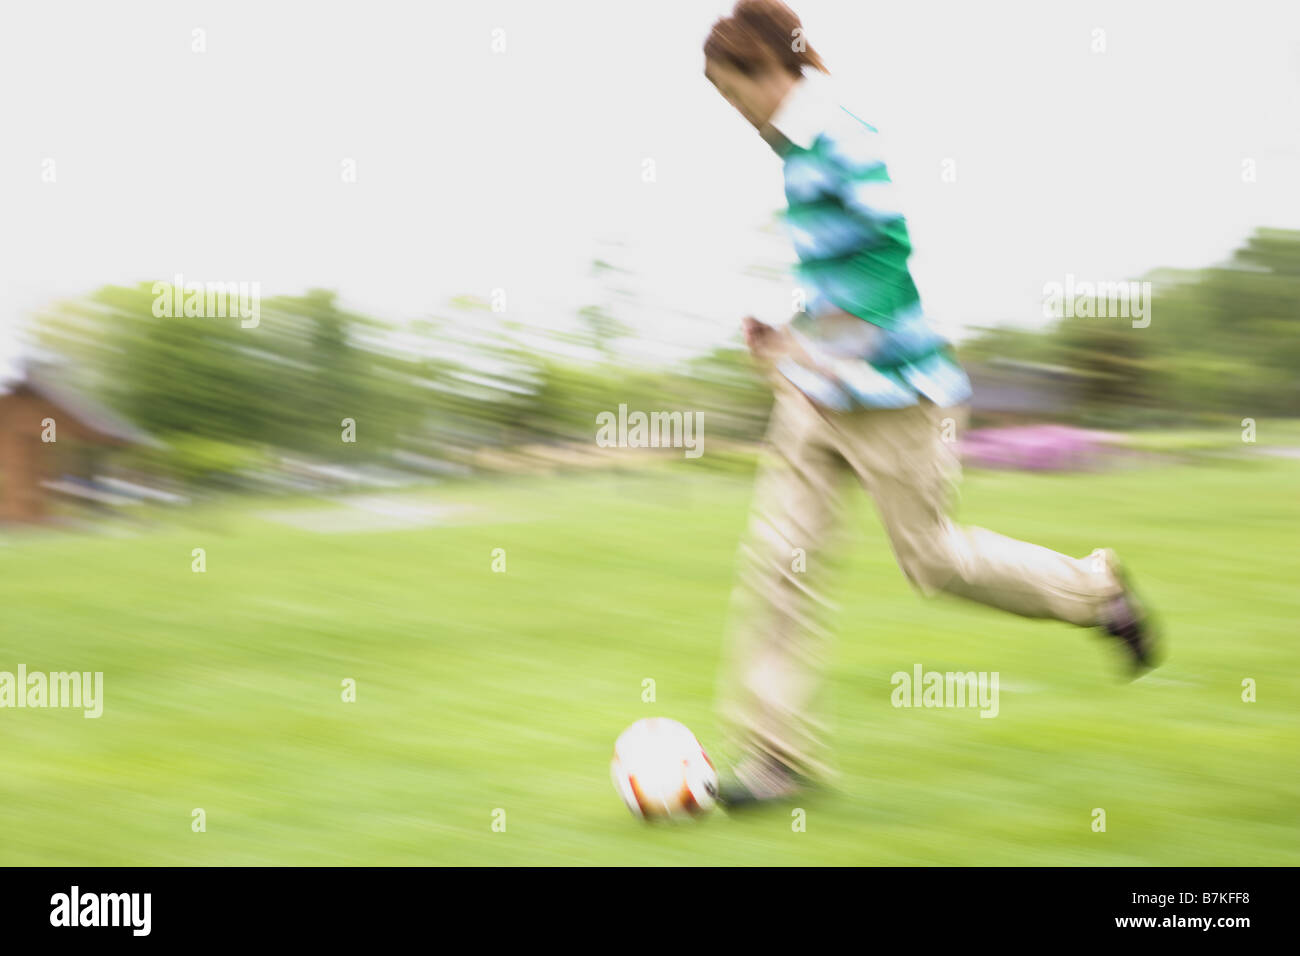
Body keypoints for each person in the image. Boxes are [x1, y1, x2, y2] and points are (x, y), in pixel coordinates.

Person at [702, 0, 1160, 808]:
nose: (732, 114)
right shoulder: (793, 151)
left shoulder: (841, 135)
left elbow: (885, 266)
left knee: (935, 562)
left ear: (767, 68)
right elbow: (837, 278)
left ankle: (1097, 592)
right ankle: (779, 761)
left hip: (894, 397)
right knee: (780, 566)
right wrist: (788, 334)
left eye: (731, 95)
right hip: (817, 397)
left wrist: (813, 351)